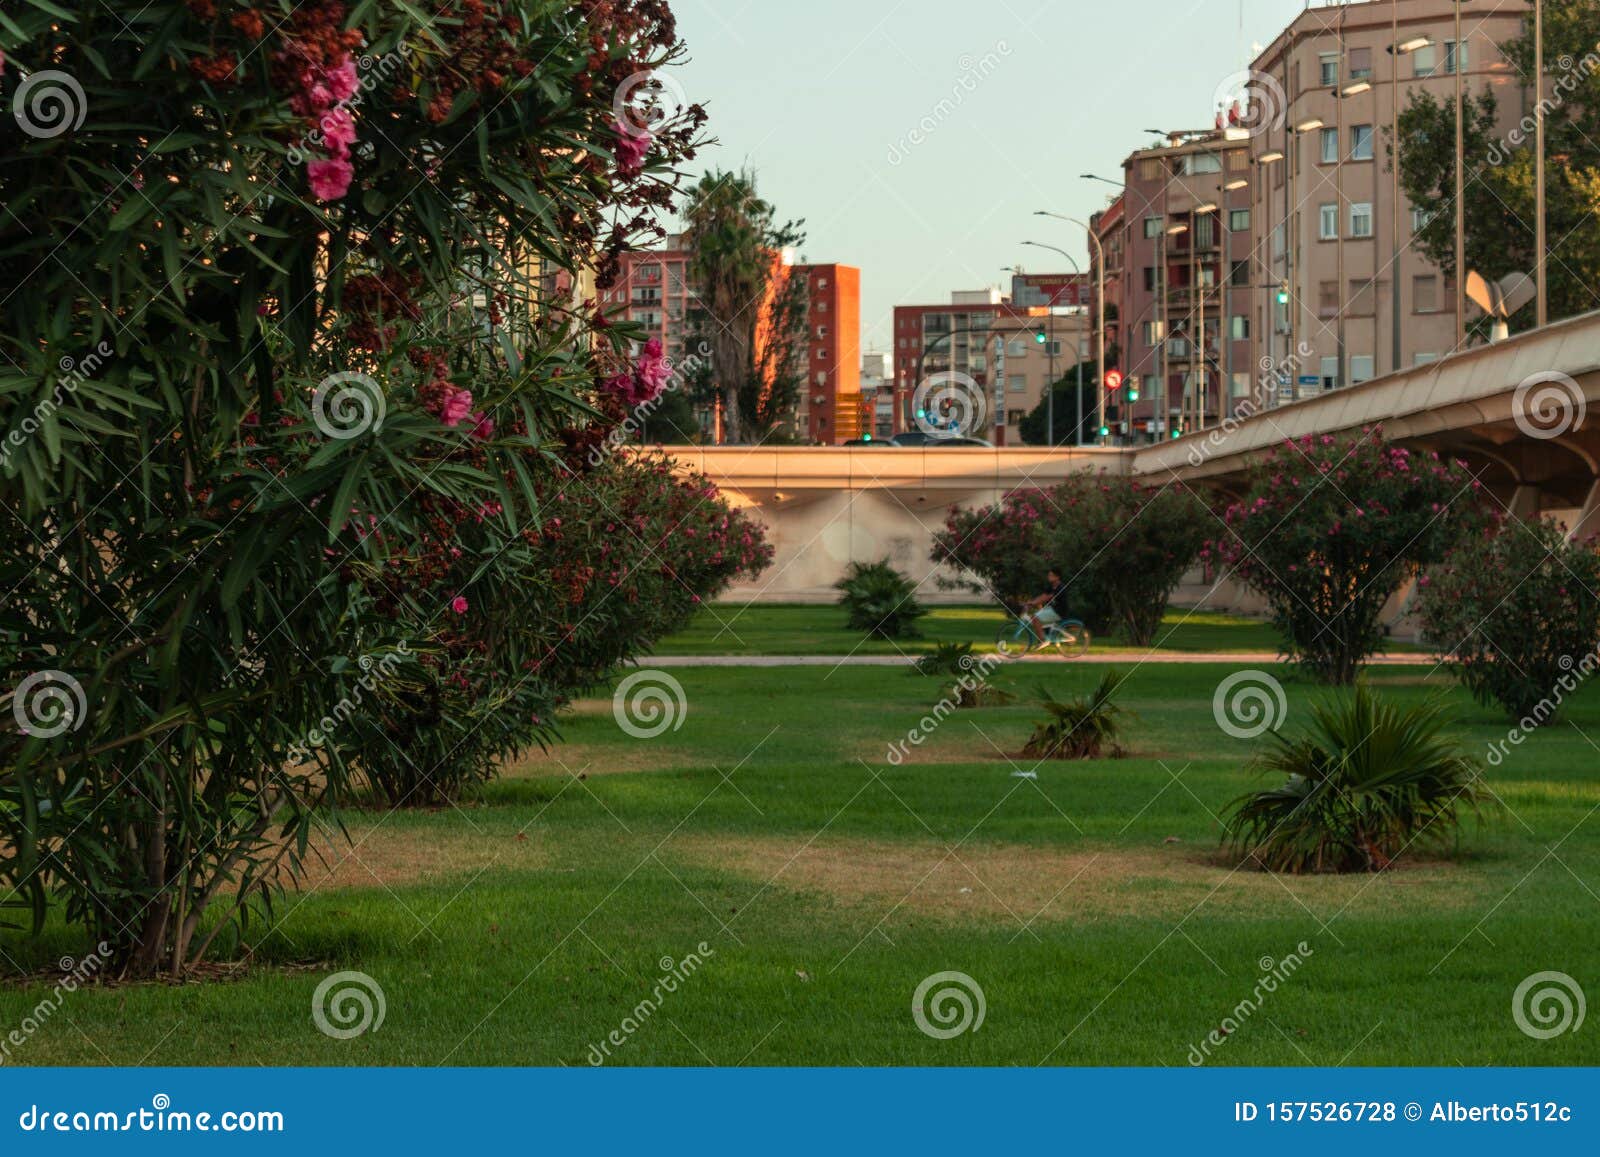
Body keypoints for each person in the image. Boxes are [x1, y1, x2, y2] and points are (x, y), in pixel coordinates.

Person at [1025, 568, 1070, 642]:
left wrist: (1033, 603)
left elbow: (1047, 597)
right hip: (1053, 609)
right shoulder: (1052, 586)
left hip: (1059, 611)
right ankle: (1044, 636)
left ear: (1057, 577)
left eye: (1051, 575)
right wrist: (1032, 602)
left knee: (1035, 618)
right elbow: (1043, 595)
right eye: (1049, 575)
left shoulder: (1060, 587)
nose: (1048, 577)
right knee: (1035, 617)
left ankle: (1042, 641)